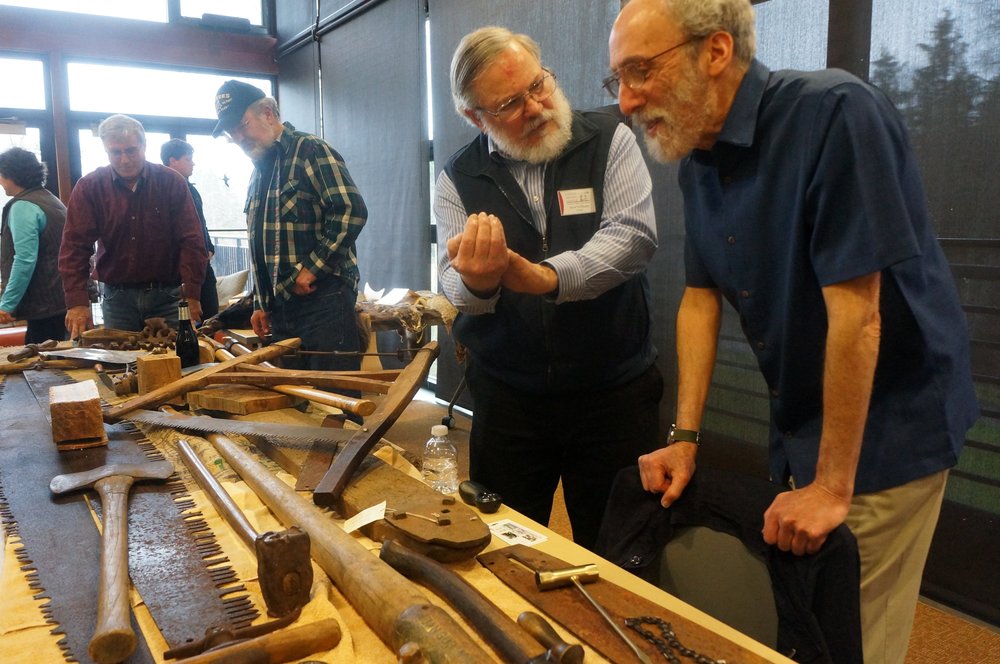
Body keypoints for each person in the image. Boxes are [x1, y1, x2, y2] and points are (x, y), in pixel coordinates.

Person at [607, 1, 979, 662]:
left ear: (715, 51)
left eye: (640, 71)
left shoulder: (835, 114)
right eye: (618, 80)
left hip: (889, 428)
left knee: (846, 634)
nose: (627, 101)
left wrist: (834, 485)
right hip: (805, 423)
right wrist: (685, 438)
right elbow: (700, 297)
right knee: (795, 619)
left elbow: (858, 314)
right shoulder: (698, 151)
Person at [436, 27, 661, 551]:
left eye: (538, 85)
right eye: (511, 103)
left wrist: (548, 277)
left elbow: (633, 237)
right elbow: (450, 280)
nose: (537, 107)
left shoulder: (608, 138)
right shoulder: (457, 178)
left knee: (621, 550)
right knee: (505, 544)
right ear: (475, 117)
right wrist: (476, 280)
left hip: (613, 392)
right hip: (510, 399)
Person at [211, 80, 367, 371]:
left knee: (336, 401)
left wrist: (311, 269)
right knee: (293, 402)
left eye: (242, 125)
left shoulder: (310, 150)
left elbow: (351, 210)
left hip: (324, 303)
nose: (238, 137)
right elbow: (260, 244)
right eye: (232, 133)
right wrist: (259, 303)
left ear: (268, 113)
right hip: (282, 310)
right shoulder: (258, 173)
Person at [59, 114, 207, 337]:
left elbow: (192, 240)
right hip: (117, 299)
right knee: (120, 364)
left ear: (144, 146)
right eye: (115, 152)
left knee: (179, 363)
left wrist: (193, 293)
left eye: (131, 150)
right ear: (106, 150)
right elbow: (74, 248)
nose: (124, 160)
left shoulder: (171, 182)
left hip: (169, 296)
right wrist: (77, 302)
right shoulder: (89, 187)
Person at [0, 148, 68, 343]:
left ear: (11, 175)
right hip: (61, 299)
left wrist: (7, 304)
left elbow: (24, 259)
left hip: (43, 305)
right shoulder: (51, 199)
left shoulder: (23, 206)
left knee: (41, 367)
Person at [161, 139, 219, 319]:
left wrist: (209, 248)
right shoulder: (163, 190)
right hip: (180, 269)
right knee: (189, 319)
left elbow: (201, 224)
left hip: (202, 262)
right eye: (188, 159)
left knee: (210, 316)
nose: (193, 163)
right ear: (173, 161)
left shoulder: (191, 190)